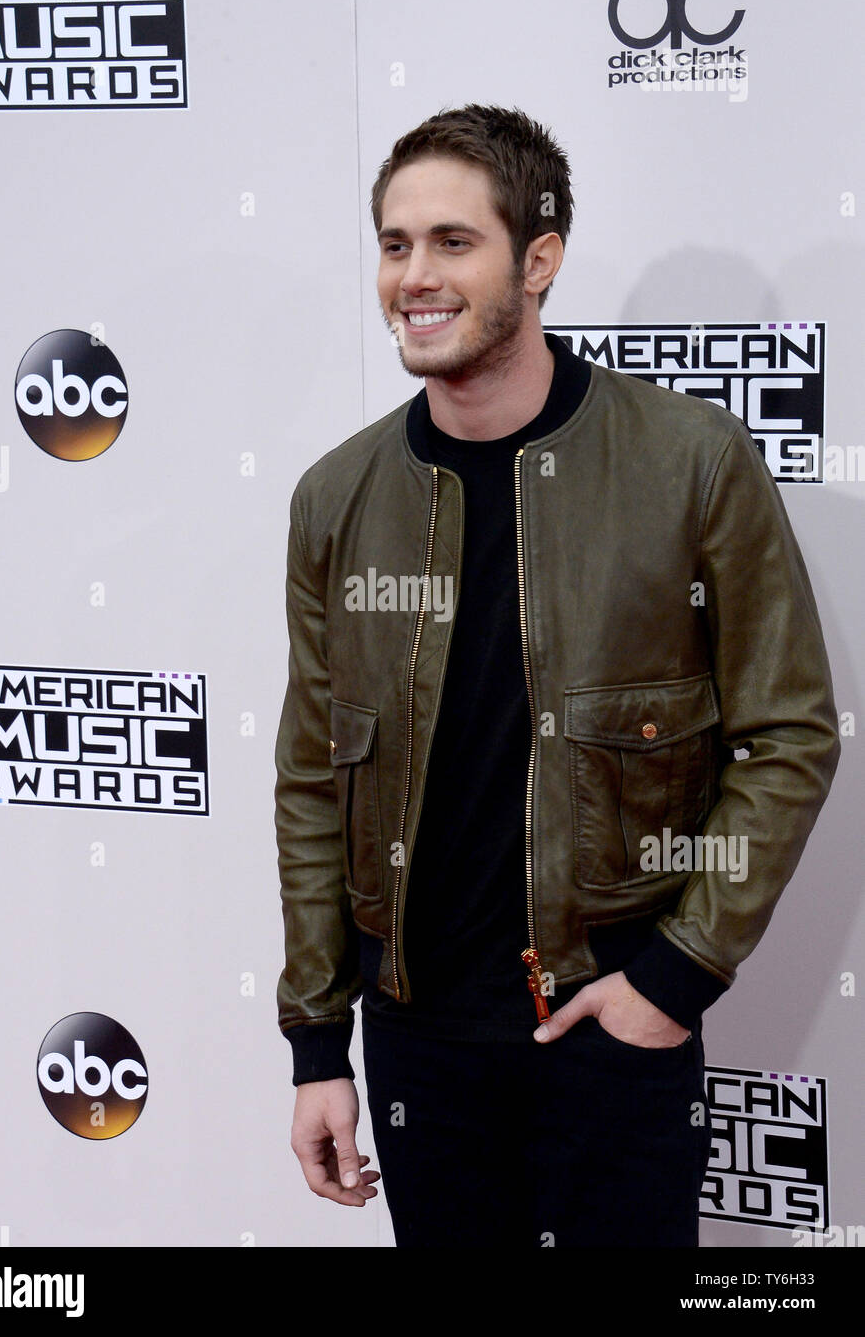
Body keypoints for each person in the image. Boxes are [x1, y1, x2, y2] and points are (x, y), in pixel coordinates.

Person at [273, 103, 840, 1247]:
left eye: (451, 242)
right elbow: (309, 783)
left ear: (537, 259)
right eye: (393, 244)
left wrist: (672, 978)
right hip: (414, 1041)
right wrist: (317, 1046)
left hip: (607, 1021)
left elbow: (788, 736)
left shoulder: (688, 463)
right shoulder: (336, 498)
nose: (412, 277)